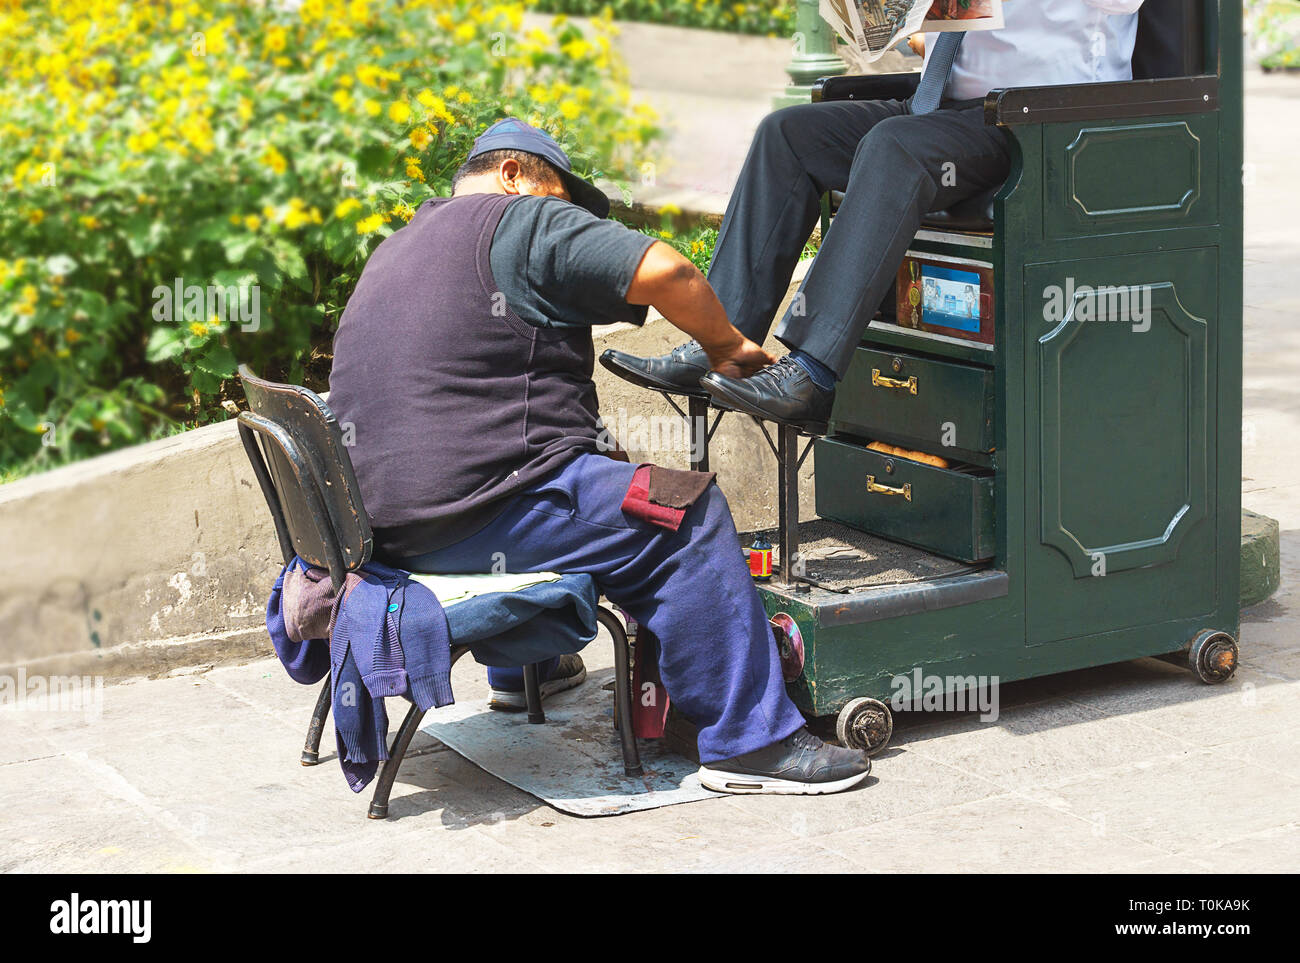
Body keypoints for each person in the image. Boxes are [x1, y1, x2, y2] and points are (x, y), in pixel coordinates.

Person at [326, 119, 873, 795]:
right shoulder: (523, 219)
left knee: (597, 477)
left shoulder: (399, 248)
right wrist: (725, 345)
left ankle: (530, 667)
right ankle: (751, 740)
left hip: (383, 527)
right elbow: (668, 270)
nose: (563, 218)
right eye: (560, 197)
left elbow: (488, 403)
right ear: (514, 174)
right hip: (472, 512)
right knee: (688, 512)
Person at [601, 0, 1146, 435]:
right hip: (940, 108)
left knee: (894, 146)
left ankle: (812, 373)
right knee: (787, 135)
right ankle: (721, 345)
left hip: (1039, 117)